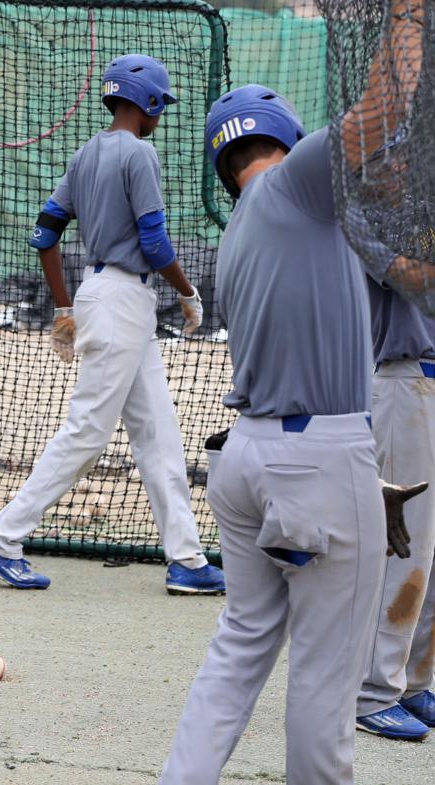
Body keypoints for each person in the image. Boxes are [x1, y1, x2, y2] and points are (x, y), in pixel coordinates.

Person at [160, 6, 427, 780]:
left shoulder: (242, 228)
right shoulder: (301, 187)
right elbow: (387, 106)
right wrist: (408, 12)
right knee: (324, 675)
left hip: (249, 461)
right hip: (318, 458)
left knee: (241, 646)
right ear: (284, 132)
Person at [0, 54, 224, 595]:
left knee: (158, 434)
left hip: (100, 295)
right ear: (147, 101)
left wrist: (64, 305)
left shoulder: (86, 153)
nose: (162, 113)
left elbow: (45, 233)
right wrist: (187, 291)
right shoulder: (140, 153)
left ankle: (187, 559)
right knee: (87, 433)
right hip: (122, 302)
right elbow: (154, 243)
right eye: (160, 104)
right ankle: (3, 537)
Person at [353, 277, 435, 741]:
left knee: (433, 549)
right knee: (408, 544)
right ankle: (372, 690)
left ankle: (412, 682)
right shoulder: (393, 209)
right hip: (409, 381)